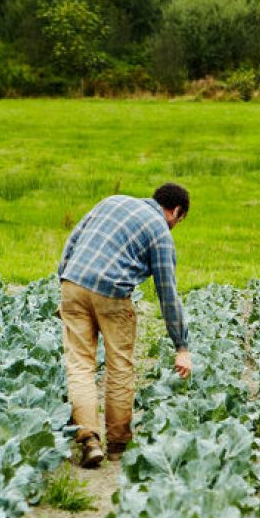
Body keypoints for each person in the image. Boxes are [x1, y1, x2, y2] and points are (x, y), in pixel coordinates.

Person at [56, 183, 194, 468]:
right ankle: (118, 443)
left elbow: (73, 240)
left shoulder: (112, 201)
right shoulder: (160, 232)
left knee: (80, 365)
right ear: (176, 211)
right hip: (112, 293)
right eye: (179, 221)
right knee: (120, 366)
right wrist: (181, 345)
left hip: (73, 282)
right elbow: (167, 293)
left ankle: (89, 440)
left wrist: (66, 285)